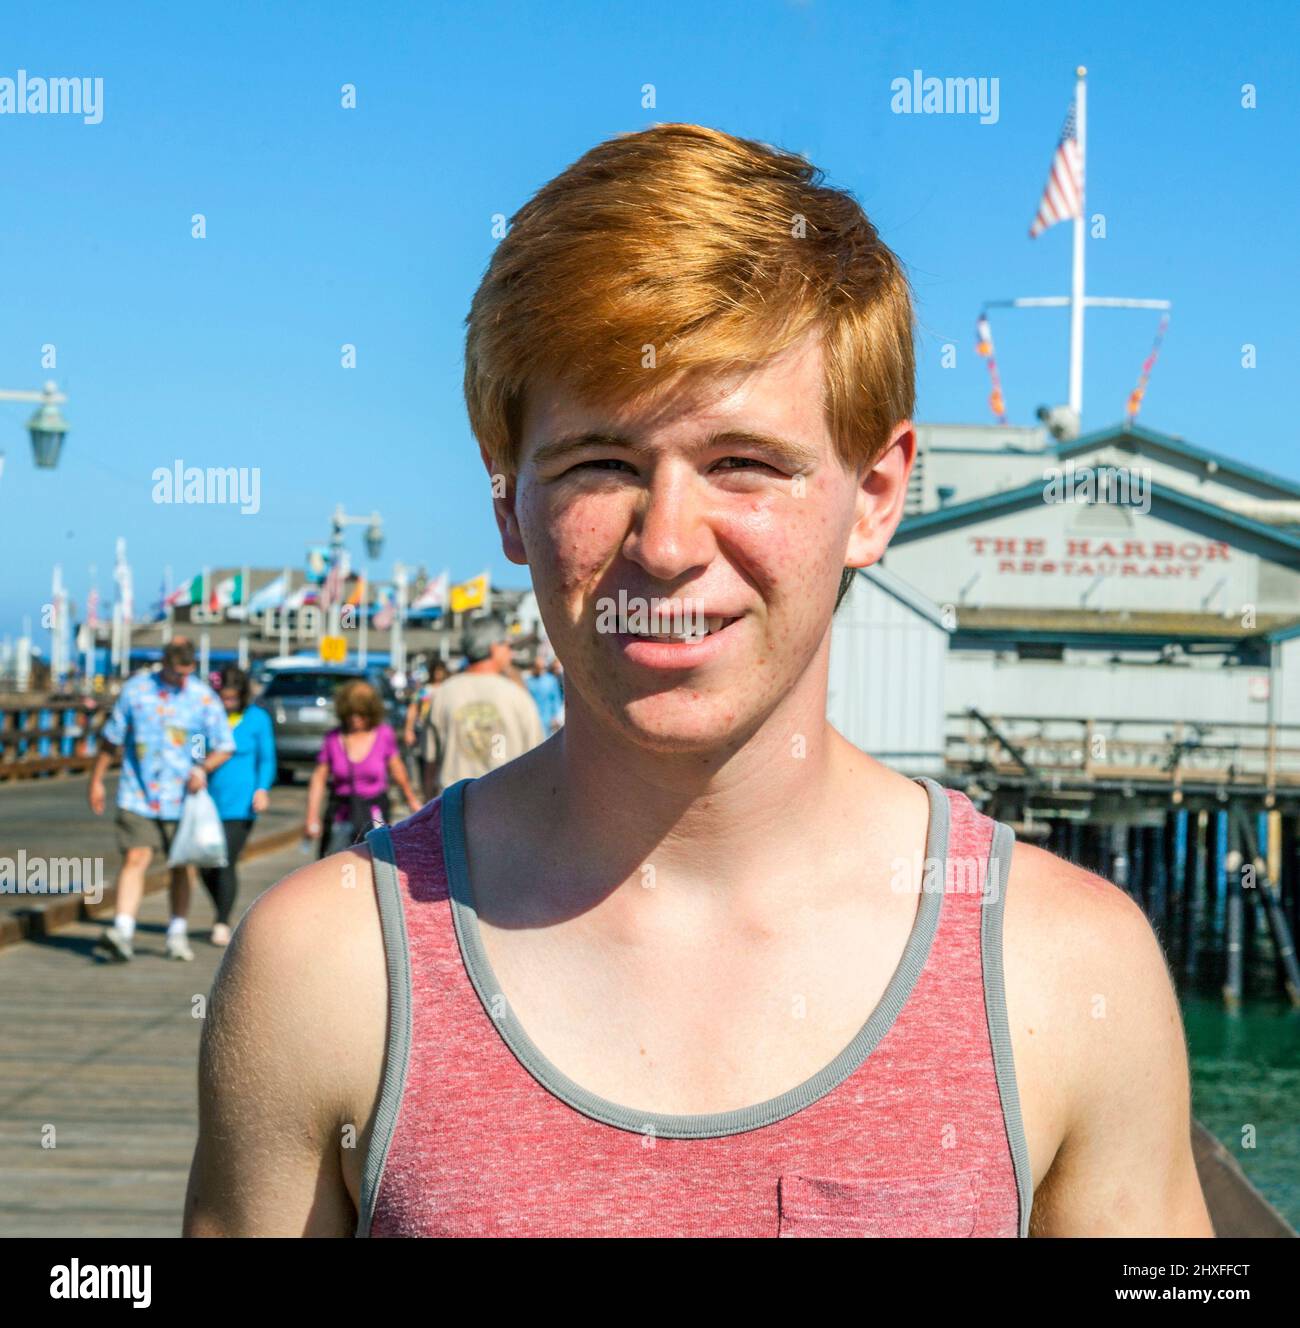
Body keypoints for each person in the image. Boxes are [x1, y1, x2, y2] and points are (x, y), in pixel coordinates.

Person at [187, 124, 1213, 1237]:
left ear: (874, 493)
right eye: (601, 464)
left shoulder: (1060, 972)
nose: (667, 541)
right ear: (507, 503)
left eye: (741, 463)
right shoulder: (329, 971)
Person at [89, 637, 234, 962]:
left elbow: (224, 744)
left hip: (184, 797)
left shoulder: (202, 697)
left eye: (186, 673)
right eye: (175, 673)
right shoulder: (136, 690)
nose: (181, 680)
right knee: (136, 857)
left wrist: (203, 768)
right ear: (164, 665)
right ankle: (123, 931)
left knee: (181, 866)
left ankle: (176, 932)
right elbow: (112, 738)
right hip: (137, 792)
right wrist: (96, 780)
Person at [418, 619, 545, 790]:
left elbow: (430, 762)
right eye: (508, 646)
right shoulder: (518, 697)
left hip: (453, 806)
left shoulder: (443, 693)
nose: (510, 652)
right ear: (494, 648)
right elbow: (537, 760)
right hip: (505, 804)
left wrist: (428, 801)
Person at [200, 665, 276, 946]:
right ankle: (220, 907)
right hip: (207, 802)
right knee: (204, 865)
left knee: (225, 859)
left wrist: (262, 789)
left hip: (242, 803)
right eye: (223, 697)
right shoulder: (208, 716)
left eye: (232, 698)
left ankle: (221, 920)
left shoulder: (257, 718)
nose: (227, 703)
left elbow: (267, 758)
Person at [304, 678, 420, 857]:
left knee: (376, 863)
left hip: (374, 814)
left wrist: (411, 798)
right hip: (342, 814)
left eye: (361, 714)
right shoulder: (333, 738)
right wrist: (312, 816)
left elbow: (397, 769)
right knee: (338, 866)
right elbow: (319, 778)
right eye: (351, 714)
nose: (355, 719)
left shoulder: (383, 734)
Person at [404, 657, 448, 800]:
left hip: (445, 732)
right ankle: (428, 795)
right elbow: (413, 708)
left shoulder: (448, 689)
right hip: (425, 730)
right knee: (427, 763)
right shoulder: (424, 690)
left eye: (441, 671)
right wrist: (408, 729)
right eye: (436, 671)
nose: (438, 674)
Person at [523, 653, 563, 735]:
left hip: (547, 720)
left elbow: (556, 700)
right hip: (532, 720)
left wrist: (556, 717)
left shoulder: (550, 680)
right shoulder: (528, 681)